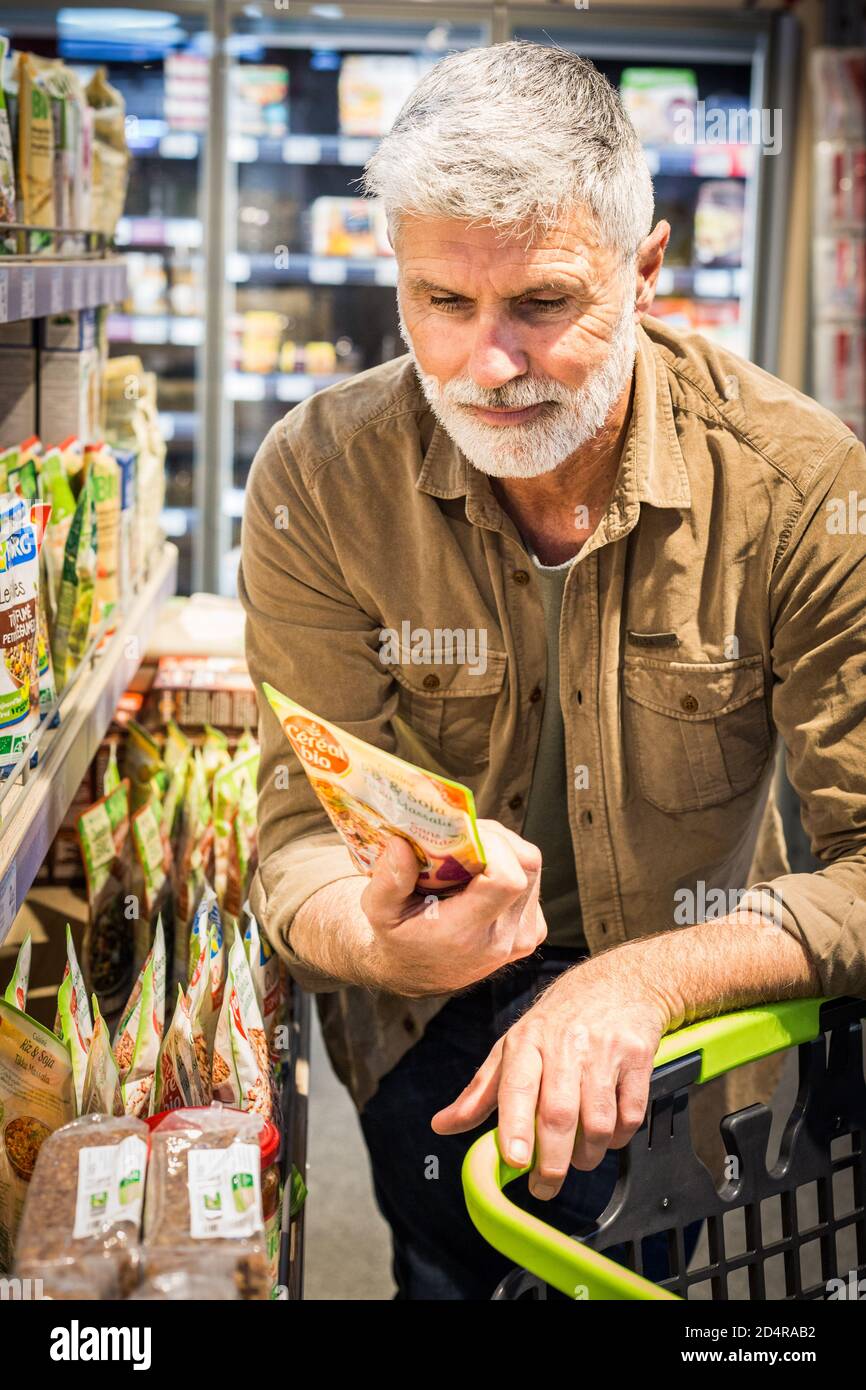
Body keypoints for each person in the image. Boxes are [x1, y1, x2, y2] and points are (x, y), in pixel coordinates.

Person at [238, 41, 866, 1300]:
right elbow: (295, 835)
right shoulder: (317, 482)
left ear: (646, 271)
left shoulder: (802, 491)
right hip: (415, 1020)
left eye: (539, 304)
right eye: (440, 303)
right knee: (444, 1273)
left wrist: (644, 975)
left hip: (684, 1022)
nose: (487, 364)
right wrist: (371, 938)